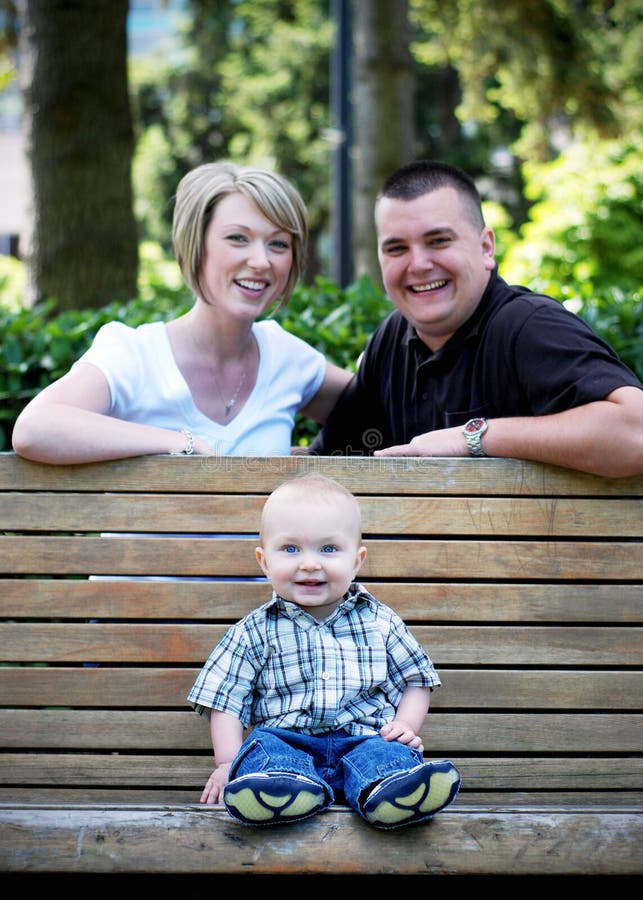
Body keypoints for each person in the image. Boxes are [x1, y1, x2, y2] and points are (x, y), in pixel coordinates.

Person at [309, 160, 643, 478]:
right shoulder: (393, 338)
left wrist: (473, 436)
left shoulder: (527, 325)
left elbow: (636, 432)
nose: (419, 264)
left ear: (486, 247)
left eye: (438, 241)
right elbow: (334, 456)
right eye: (397, 249)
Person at [12, 161, 352, 463]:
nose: (261, 261)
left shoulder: (285, 358)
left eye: (278, 244)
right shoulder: (135, 354)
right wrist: (180, 443)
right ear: (195, 245)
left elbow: (379, 405)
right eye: (237, 238)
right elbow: (34, 428)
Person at [187, 473, 461, 830]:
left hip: (364, 740)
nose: (310, 563)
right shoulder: (253, 632)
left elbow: (417, 678)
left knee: (390, 755)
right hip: (287, 742)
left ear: (357, 561)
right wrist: (227, 763)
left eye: (328, 549)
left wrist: (405, 726)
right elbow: (225, 700)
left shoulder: (380, 622)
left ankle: (394, 792)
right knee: (265, 754)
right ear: (264, 561)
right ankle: (280, 791)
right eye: (290, 549)